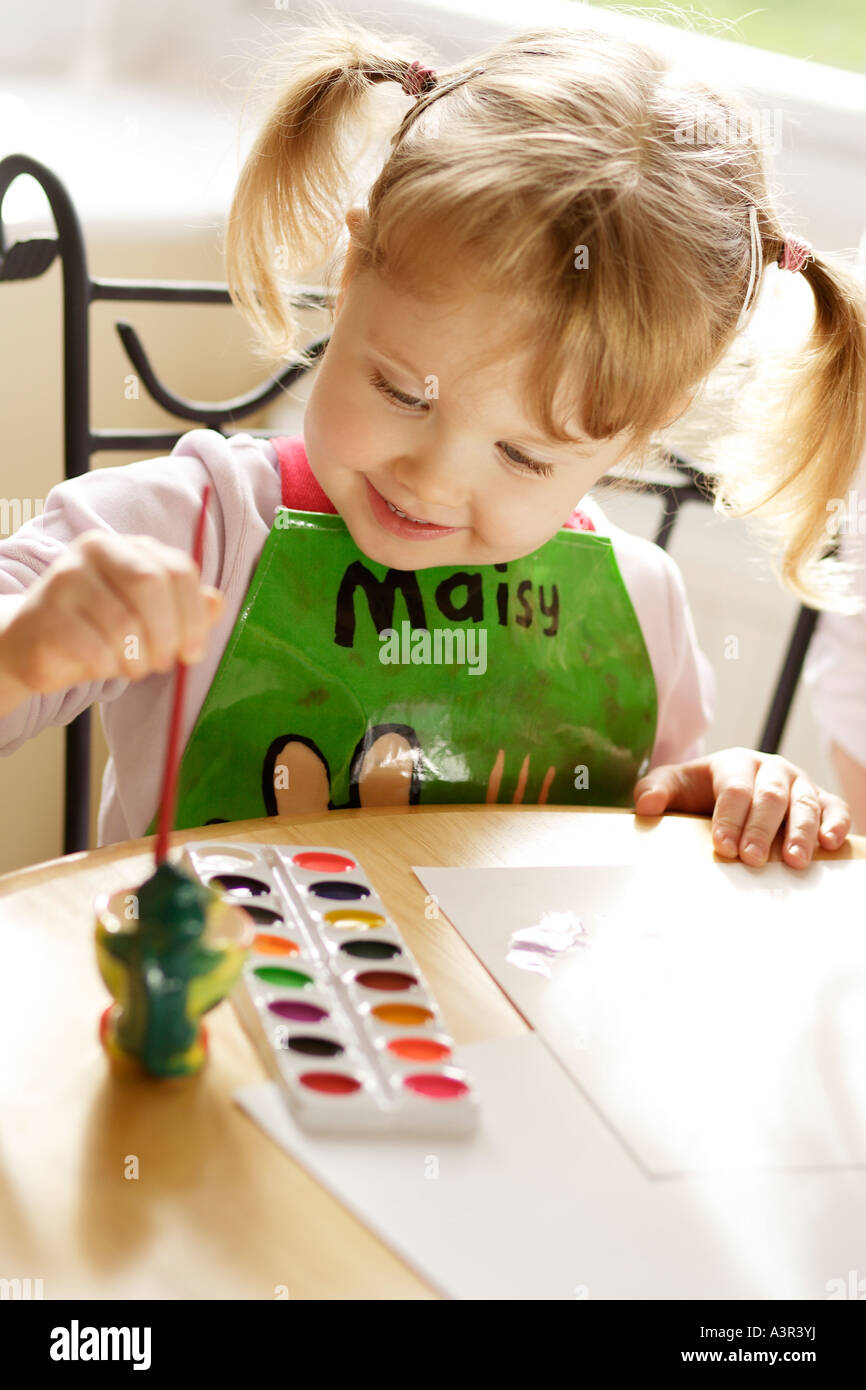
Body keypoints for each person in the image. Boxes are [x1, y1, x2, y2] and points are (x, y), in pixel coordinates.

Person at [0, 17, 862, 869]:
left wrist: (723, 794)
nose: (432, 480)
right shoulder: (194, 530)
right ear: (346, 282)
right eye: (401, 392)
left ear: (639, 437)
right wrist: (25, 647)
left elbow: (639, 826)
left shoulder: (635, 610)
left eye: (523, 455)